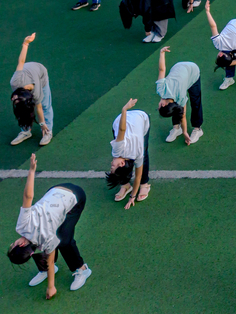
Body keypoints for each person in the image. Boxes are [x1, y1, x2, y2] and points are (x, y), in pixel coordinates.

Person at [7, 155, 92, 298]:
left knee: (64, 240)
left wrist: (51, 287)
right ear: (20, 244)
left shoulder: (24, 227)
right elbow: (28, 197)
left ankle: (82, 269)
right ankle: (44, 270)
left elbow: (50, 259)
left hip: (75, 198)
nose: (13, 242)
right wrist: (31, 171)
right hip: (55, 191)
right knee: (41, 245)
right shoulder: (31, 231)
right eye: (12, 244)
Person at [9, 33, 53, 146]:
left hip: (40, 72)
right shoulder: (15, 82)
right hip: (27, 69)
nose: (13, 98)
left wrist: (42, 123)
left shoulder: (37, 92)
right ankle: (25, 131)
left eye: (16, 98)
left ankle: (48, 131)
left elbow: (38, 108)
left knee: (45, 106)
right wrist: (25, 43)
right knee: (22, 108)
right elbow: (21, 62)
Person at [107, 98, 150, 208]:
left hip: (141, 119)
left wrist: (132, 197)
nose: (111, 164)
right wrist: (124, 109)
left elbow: (138, 177)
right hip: (125, 121)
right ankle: (125, 185)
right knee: (143, 156)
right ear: (121, 164)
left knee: (144, 153)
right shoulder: (118, 150)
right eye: (112, 166)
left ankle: (145, 184)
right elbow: (122, 130)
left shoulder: (119, 152)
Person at [154, 46, 203, 145]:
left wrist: (161, 53)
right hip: (179, 69)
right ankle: (177, 128)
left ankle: (198, 129)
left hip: (192, 71)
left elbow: (161, 70)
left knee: (195, 102)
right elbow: (182, 114)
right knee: (175, 108)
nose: (158, 104)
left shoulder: (167, 91)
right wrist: (161, 53)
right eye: (158, 107)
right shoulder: (165, 91)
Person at [205, 1, 236, 91]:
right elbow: (213, 26)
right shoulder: (219, 43)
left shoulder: (231, 46)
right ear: (219, 55)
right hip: (235, 25)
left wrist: (228, 62)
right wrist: (207, 11)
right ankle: (229, 78)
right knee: (227, 58)